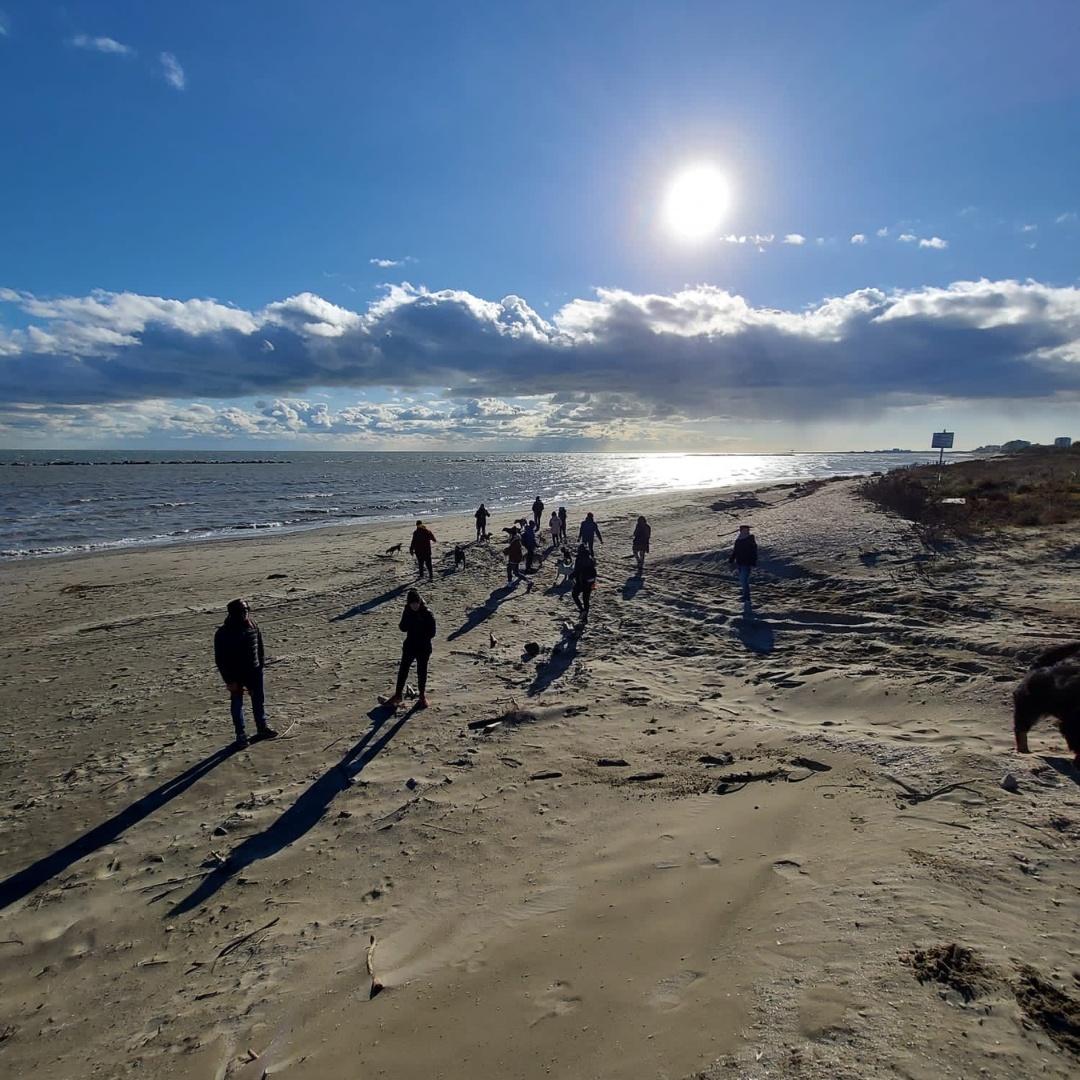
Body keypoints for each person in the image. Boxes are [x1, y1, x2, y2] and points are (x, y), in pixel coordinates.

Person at [214, 599, 278, 749]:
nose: (245, 613)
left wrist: (260, 664)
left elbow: (260, 646)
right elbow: (221, 660)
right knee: (237, 705)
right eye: (242, 611)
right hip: (236, 676)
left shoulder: (253, 624)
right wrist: (229, 680)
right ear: (232, 614)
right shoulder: (223, 633)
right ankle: (241, 735)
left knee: (259, 701)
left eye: (246, 610)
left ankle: (262, 727)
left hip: (254, 672)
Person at [384, 588, 436, 709]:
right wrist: (407, 617)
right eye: (412, 604)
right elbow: (402, 627)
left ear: (419, 602)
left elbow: (432, 633)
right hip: (409, 646)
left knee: (421, 671)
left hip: (423, 648)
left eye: (416, 603)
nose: (414, 606)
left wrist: (421, 636)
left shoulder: (427, 613)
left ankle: (422, 696)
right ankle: (398, 695)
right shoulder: (407, 610)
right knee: (403, 670)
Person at [728, 523, 758, 614]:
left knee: (744, 580)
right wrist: (731, 560)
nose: (747, 531)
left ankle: (747, 598)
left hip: (746, 563)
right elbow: (735, 551)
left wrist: (754, 561)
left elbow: (754, 551)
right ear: (741, 531)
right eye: (745, 530)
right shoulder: (738, 540)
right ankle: (745, 595)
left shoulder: (750, 539)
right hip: (740, 562)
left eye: (747, 530)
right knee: (742, 580)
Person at [571, 543, 597, 618]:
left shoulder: (579, 559)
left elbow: (577, 571)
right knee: (586, 599)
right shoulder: (590, 558)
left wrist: (571, 576)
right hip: (591, 582)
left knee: (574, 595)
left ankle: (582, 611)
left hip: (582, 582)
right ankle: (585, 617)